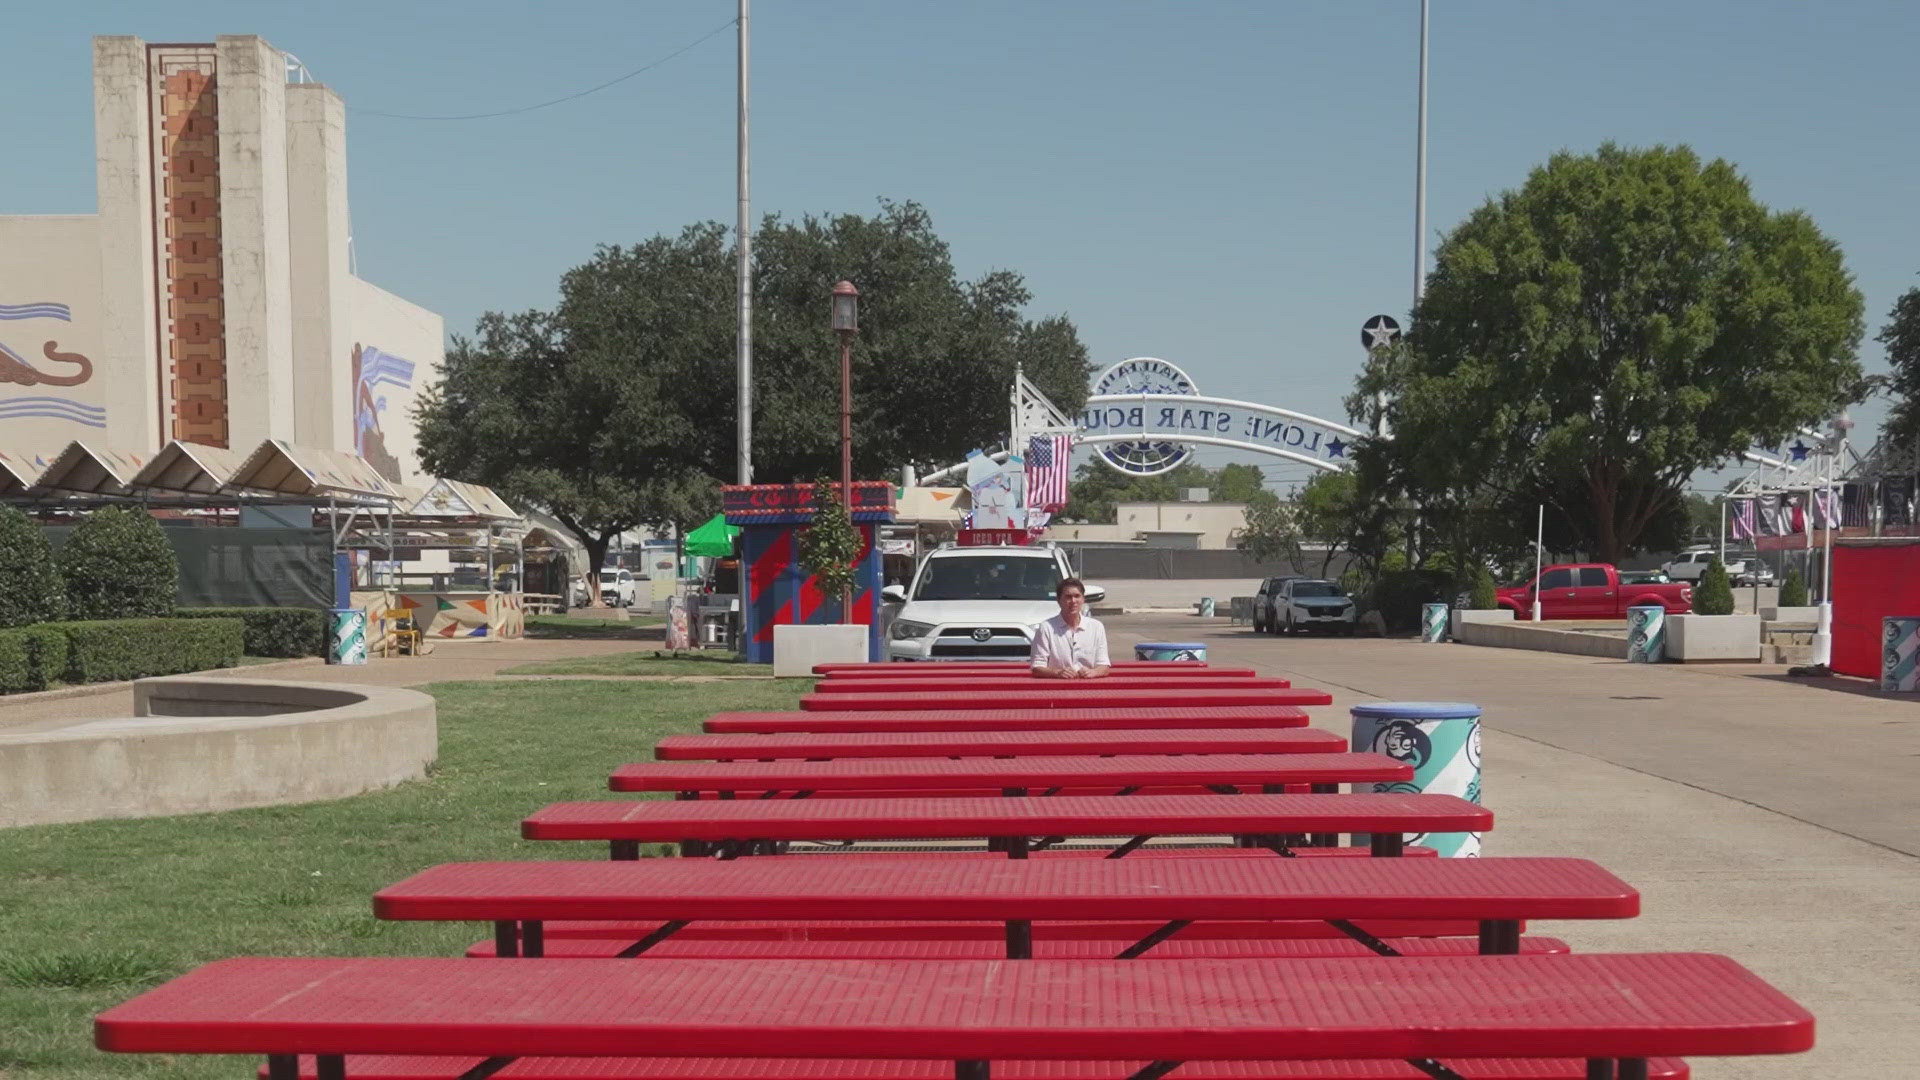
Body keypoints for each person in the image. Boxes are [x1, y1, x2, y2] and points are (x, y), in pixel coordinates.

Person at [1029, 577, 1111, 678]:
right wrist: (1057, 673)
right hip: (1056, 688)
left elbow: (1104, 666)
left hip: (1088, 688)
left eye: (1077, 596)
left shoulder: (1097, 627)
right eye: (1068, 597)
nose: (1073, 601)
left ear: (1083, 599)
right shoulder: (1046, 628)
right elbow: (1037, 668)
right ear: (1059, 600)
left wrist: (1093, 672)